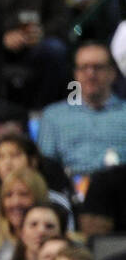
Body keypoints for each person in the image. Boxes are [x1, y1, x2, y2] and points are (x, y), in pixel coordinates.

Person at [37, 41, 126, 178]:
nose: (90, 74)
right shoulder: (54, 116)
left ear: (112, 73)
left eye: (98, 67)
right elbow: (45, 168)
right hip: (69, 192)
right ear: (76, 74)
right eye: (84, 67)